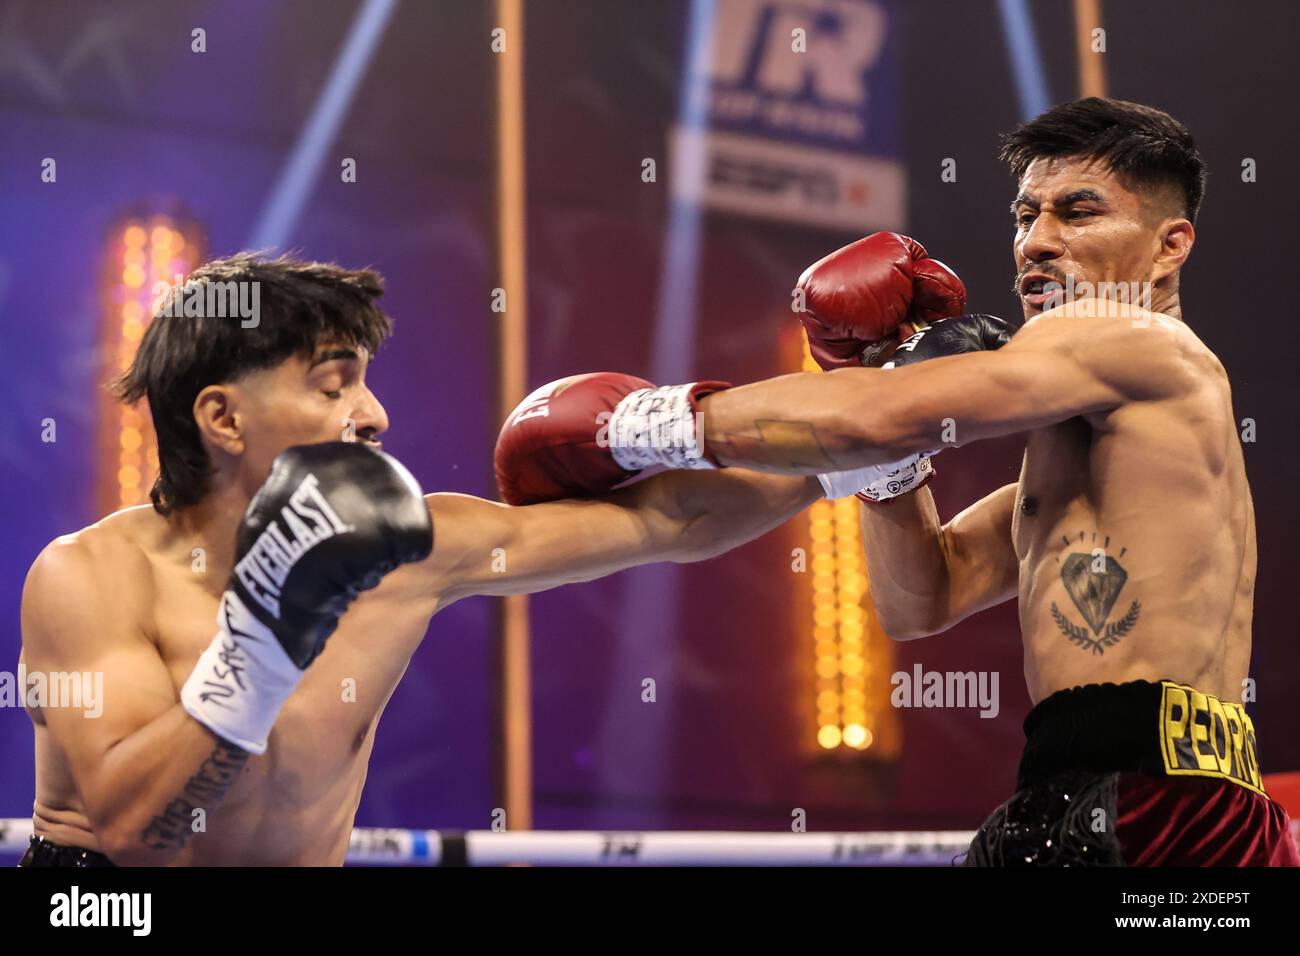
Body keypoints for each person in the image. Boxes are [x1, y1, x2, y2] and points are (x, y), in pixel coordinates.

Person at [522, 98, 1297, 865]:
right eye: (1026, 217)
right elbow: (919, 600)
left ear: (1170, 247)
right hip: (1140, 793)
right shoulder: (1108, 454)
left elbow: (871, 418)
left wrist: (638, 422)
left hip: (1148, 804)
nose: (1037, 243)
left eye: (1078, 213)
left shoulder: (1140, 337)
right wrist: (890, 470)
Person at [19, 253, 833, 867]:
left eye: (365, 383)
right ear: (223, 419)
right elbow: (133, 832)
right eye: (332, 387)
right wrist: (264, 638)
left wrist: (857, 456)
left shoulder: (411, 549)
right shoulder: (89, 576)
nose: (373, 415)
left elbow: (674, 518)